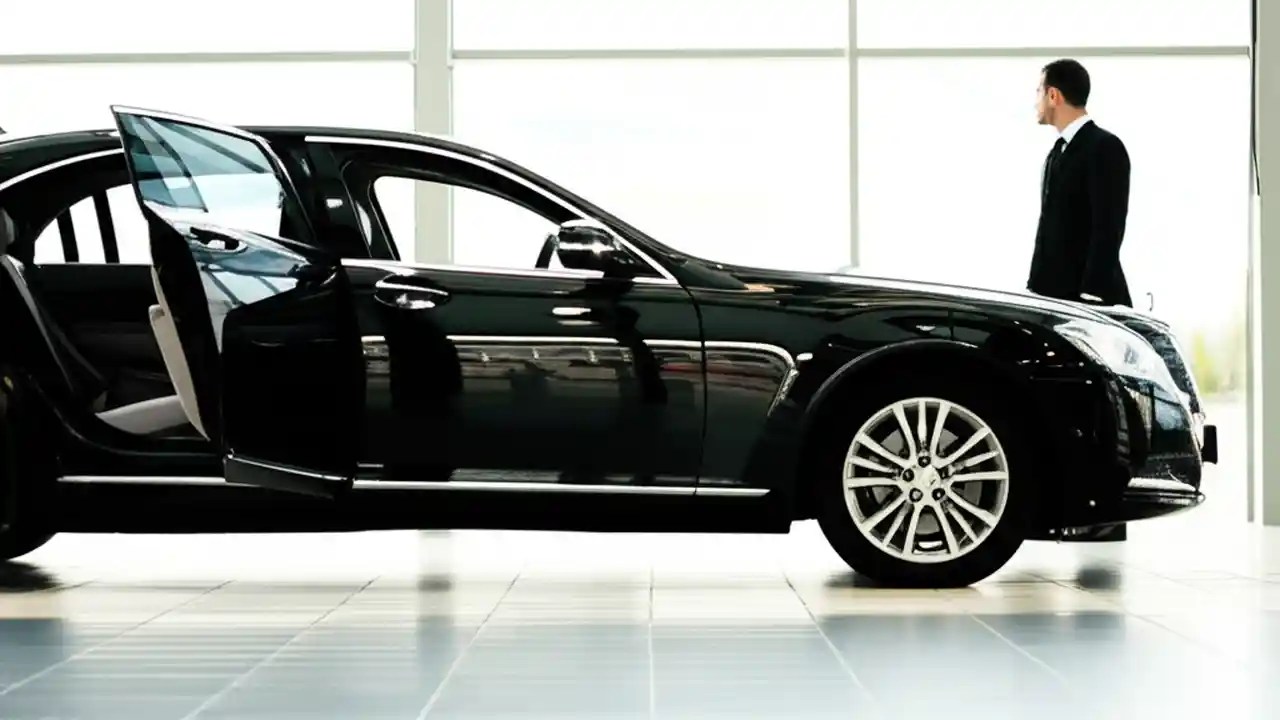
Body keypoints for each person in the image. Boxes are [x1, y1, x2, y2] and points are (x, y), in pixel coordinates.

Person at [1027, 59, 1133, 307]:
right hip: (1054, 298)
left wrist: (1092, 293)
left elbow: (1108, 225)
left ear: (1053, 95)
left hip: (1089, 304)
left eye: (1038, 92)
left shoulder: (1104, 146)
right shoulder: (1056, 152)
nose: (1035, 102)